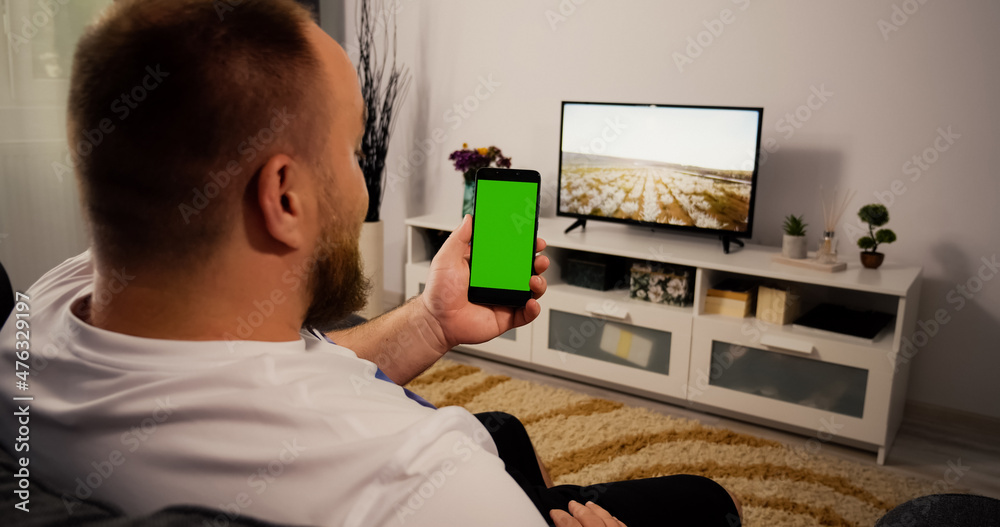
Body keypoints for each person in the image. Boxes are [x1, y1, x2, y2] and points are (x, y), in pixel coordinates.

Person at [0, 1, 742, 525]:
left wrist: (429, 321)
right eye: (354, 150)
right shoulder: (425, 481)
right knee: (707, 501)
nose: (362, 183)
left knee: (508, 428)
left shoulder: (31, 326)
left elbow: (244, 372)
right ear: (283, 195)